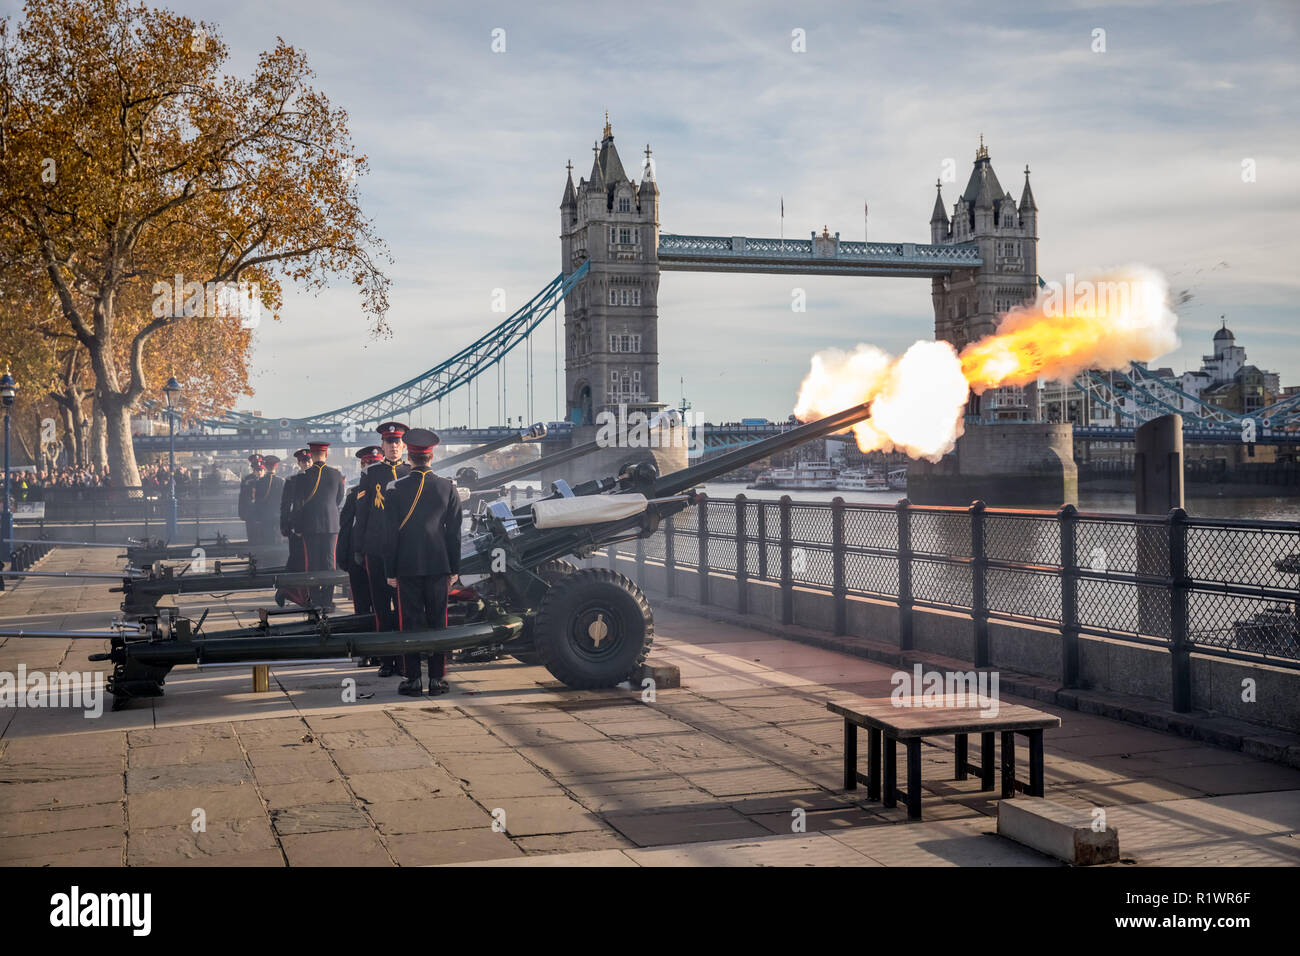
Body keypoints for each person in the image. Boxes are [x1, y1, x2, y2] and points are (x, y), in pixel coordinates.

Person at [382, 427, 461, 696]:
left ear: (410, 455)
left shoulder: (395, 488)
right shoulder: (447, 487)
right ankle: (437, 679)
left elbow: (389, 535)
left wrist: (389, 570)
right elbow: (454, 533)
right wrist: (455, 569)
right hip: (440, 565)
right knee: (439, 620)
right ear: (432, 455)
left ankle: (413, 678)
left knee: (410, 622)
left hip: (406, 565)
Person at [351, 422, 410, 677]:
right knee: (381, 607)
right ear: (382, 445)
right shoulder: (371, 473)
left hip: (406, 551)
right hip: (376, 550)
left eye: (397, 442)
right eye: (389, 442)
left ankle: (406, 659)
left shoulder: (411, 471)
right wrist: (358, 546)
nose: (393, 446)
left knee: (405, 606)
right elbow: (361, 514)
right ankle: (387, 659)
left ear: (404, 445)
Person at [291, 441, 345, 610]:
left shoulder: (303, 477)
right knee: (330, 562)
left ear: (312, 456)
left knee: (312, 563)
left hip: (309, 526)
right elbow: (339, 499)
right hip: (331, 525)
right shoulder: (336, 475)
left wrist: (298, 527)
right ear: (326, 455)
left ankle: (315, 599)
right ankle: (327, 600)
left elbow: (297, 505)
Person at [337, 445, 382, 619]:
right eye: (368, 465)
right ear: (362, 467)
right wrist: (343, 556)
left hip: (377, 555)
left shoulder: (389, 491)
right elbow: (346, 528)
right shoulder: (354, 493)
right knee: (363, 605)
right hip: (358, 556)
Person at [277, 448, 312, 607]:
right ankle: (289, 591)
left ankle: (306, 594)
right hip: (296, 527)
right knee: (296, 560)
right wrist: (285, 526)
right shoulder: (291, 481)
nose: (307, 463)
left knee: (311, 562)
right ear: (299, 463)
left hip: (313, 527)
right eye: (303, 461)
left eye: (309, 460)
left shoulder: (318, 478)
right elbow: (285, 505)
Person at [258, 456, 286, 547]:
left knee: (266, 537)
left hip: (265, 514)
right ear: (276, 466)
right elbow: (284, 499)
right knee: (278, 538)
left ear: (265, 466)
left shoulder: (260, 482)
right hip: (278, 513)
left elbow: (257, 501)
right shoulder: (281, 481)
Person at [237, 454, 264, 543]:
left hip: (264, 513)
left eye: (260, 470)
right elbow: (242, 498)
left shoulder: (268, 480)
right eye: (256, 470)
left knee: (264, 538)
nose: (258, 472)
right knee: (252, 538)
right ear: (253, 469)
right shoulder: (247, 480)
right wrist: (242, 513)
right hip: (250, 513)